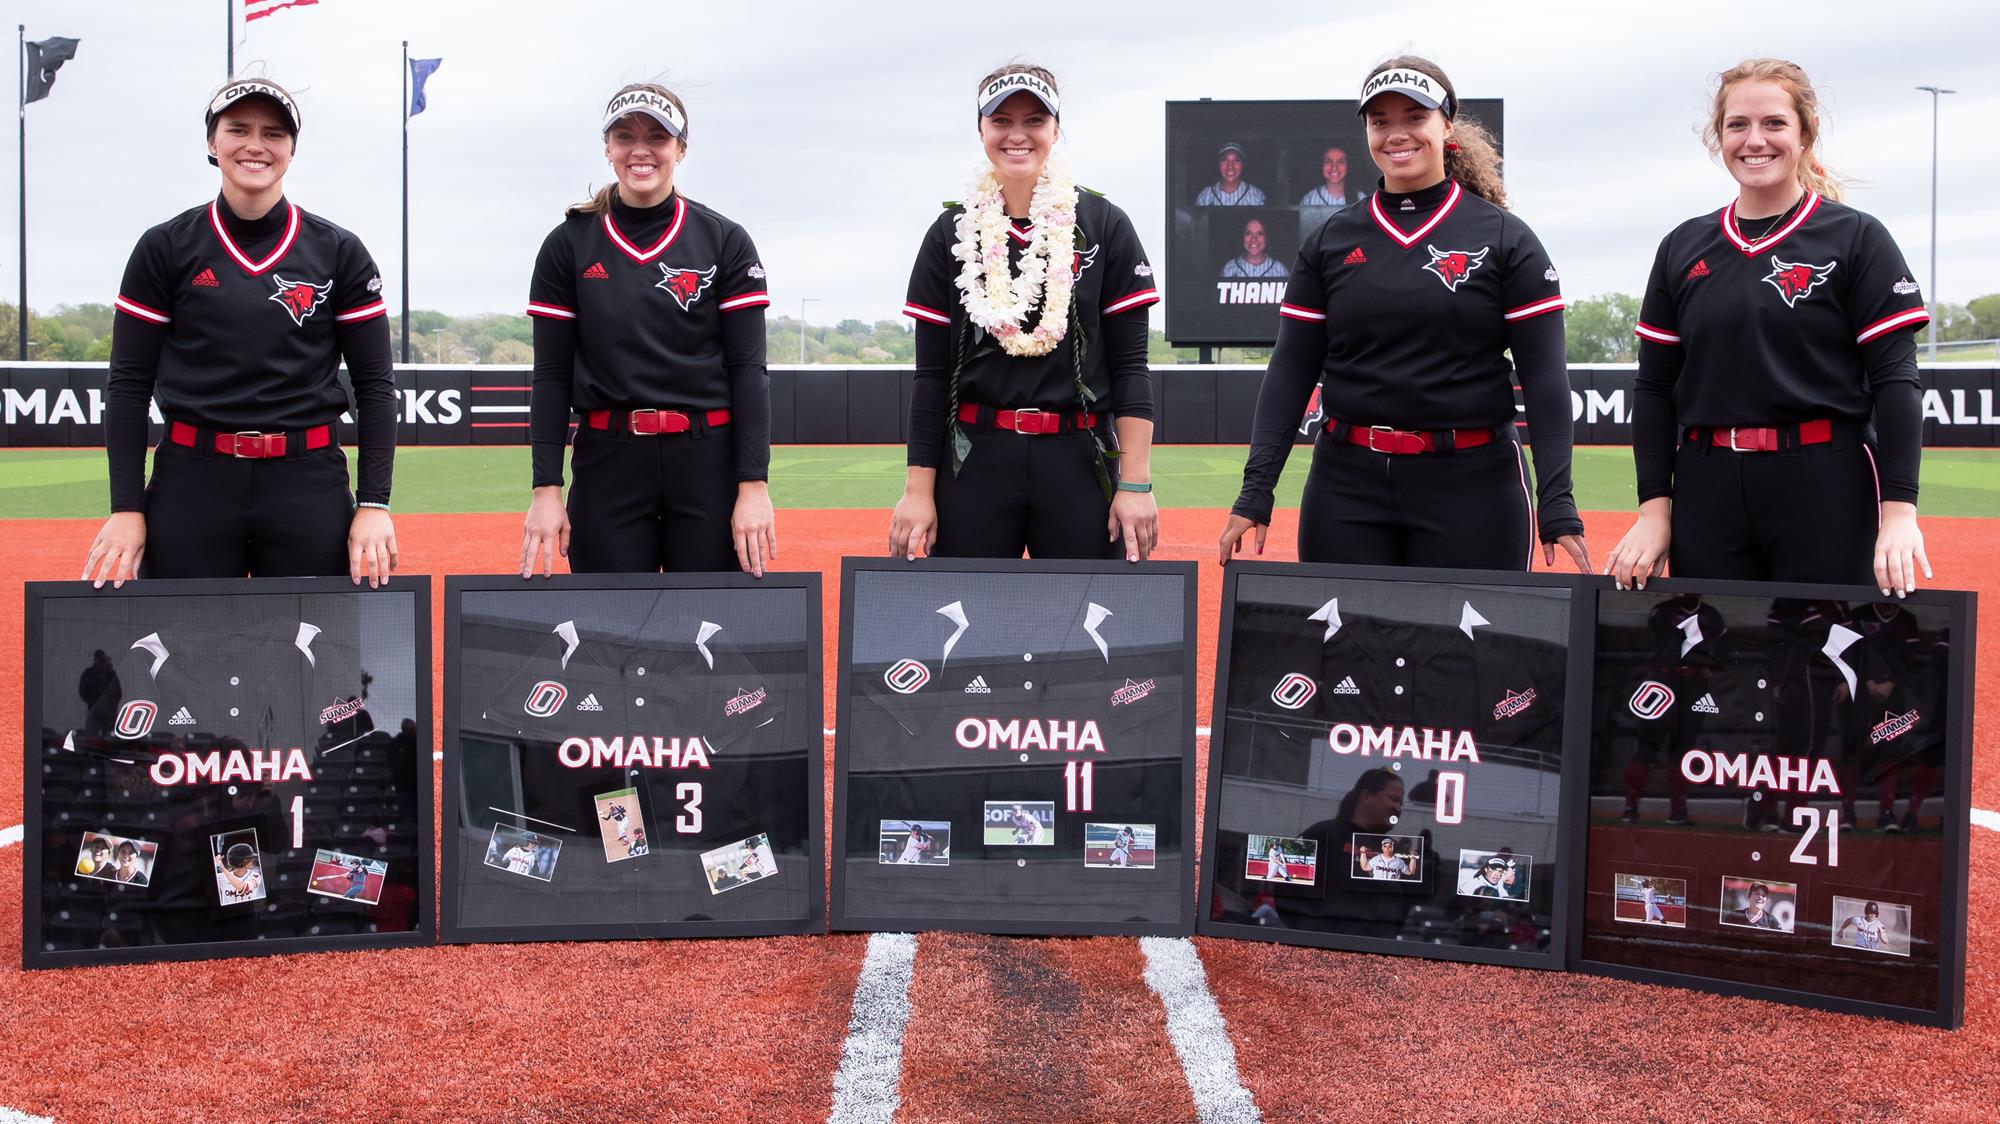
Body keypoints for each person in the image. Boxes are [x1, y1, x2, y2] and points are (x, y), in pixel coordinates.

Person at [1221, 57, 1589, 573]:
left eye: (1415, 116)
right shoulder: (1332, 239)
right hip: (1347, 485)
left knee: (1475, 652)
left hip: (1474, 483)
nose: (1397, 133)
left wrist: (1558, 499)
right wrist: (1256, 489)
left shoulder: (1505, 236)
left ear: (1447, 125)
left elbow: (1546, 376)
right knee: (1348, 650)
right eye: (1380, 121)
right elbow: (1290, 370)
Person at [1606, 59, 1932, 596]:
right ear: (1720, 136)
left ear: (1806, 134)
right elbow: (1655, 388)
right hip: (1707, 485)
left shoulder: (1855, 237)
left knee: (1821, 658)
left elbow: (1897, 380)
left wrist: (1899, 512)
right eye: (1738, 125)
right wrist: (1654, 509)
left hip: (1826, 478)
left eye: (1775, 123)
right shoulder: (1683, 246)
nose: (1755, 140)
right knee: (1713, 660)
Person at [85, 78, 397, 588]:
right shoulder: (165, 246)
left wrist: (374, 502)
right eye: (238, 129)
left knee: (312, 648)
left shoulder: (338, 249)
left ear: (292, 150)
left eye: (274, 133)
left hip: (307, 477)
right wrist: (126, 506)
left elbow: (376, 387)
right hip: (192, 476)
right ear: (212, 143)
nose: (256, 145)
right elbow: (128, 384)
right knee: (186, 646)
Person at [891, 64, 1161, 562]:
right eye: (1001, 120)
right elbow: (931, 377)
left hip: (1077, 456)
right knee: (968, 624)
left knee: (1081, 628)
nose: (1018, 135)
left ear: (1056, 130)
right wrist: (917, 491)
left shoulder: (1104, 224)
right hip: (976, 457)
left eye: (1035, 120)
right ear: (981, 129)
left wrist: (1136, 484)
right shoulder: (948, 232)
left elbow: (1130, 368)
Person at [522, 83, 776, 577]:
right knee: (611, 634)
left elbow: (749, 369)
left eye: (657, 137)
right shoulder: (569, 243)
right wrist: (546, 489)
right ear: (607, 148)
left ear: (680, 149)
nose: (640, 150)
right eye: (624, 136)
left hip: (706, 458)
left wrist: (753, 485)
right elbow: (551, 376)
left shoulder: (724, 239)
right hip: (608, 458)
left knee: (709, 628)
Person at [1195, 143, 1267, 205]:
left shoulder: (1257, 195)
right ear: (1218, 164)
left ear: (1243, 165)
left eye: (1237, 160)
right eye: (1224, 160)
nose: (1230, 166)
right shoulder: (1204, 196)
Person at [1298, 147, 1364, 210]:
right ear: (1321, 165)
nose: (1334, 167)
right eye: (1328, 161)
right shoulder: (1309, 199)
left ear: (1348, 165)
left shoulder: (1361, 198)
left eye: (1341, 161)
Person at [1221, 219, 1289, 279]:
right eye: (1248, 233)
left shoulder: (1279, 269)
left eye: (1260, 233)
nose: (1254, 239)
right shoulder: (1230, 267)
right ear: (1242, 236)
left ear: (1267, 237)